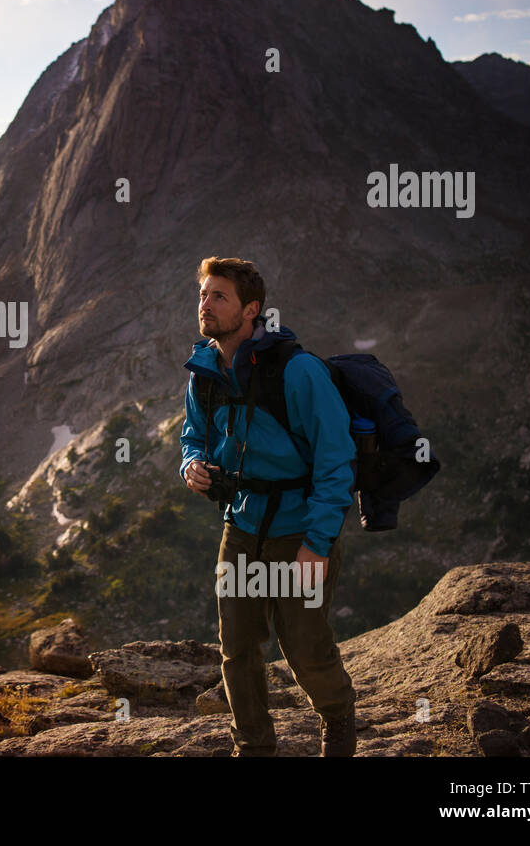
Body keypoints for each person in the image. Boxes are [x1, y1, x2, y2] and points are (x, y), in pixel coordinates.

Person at [179, 256, 358, 756]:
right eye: (203, 295)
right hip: (241, 524)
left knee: (302, 646)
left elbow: (336, 459)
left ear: (251, 309)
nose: (205, 305)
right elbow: (193, 435)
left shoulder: (298, 371)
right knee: (236, 648)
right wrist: (191, 465)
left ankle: (339, 716)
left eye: (219, 296)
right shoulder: (203, 372)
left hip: (298, 530)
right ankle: (253, 747)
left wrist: (317, 544)